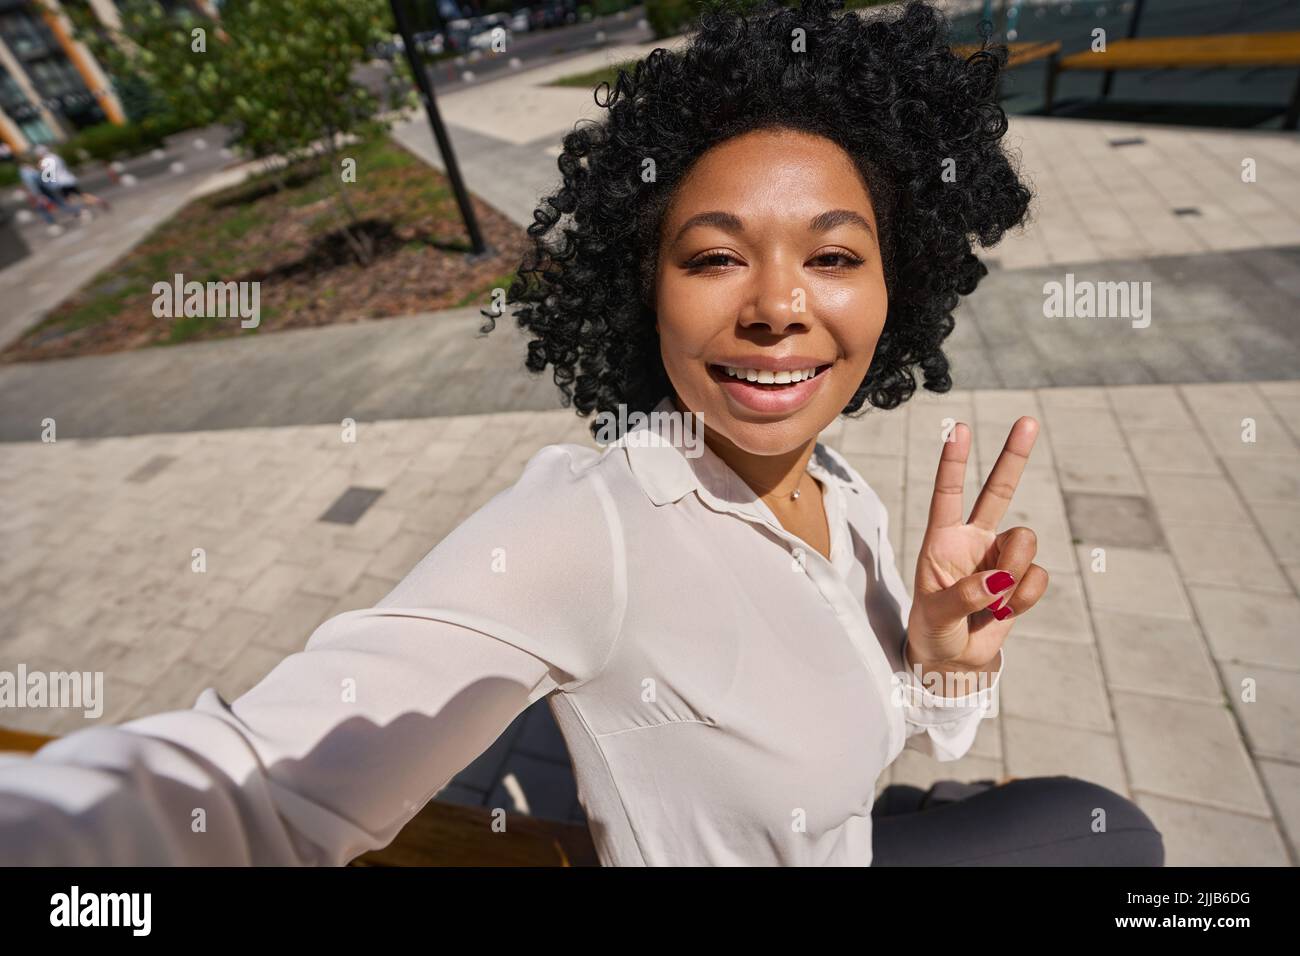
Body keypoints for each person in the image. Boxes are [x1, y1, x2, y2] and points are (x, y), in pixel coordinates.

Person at [0, 0, 1163, 866]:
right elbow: (254, 783)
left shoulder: (846, 489)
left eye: (833, 255)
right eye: (713, 255)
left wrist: (946, 665)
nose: (776, 303)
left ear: (894, 290)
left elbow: (892, 726)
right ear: (641, 288)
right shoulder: (587, 526)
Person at [33, 144, 111, 217]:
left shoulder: (46, 160)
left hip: (61, 182)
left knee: (69, 199)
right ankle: (97, 201)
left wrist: (39, 168)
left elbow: (47, 175)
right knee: (80, 195)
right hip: (69, 178)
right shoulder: (55, 156)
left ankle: (83, 212)